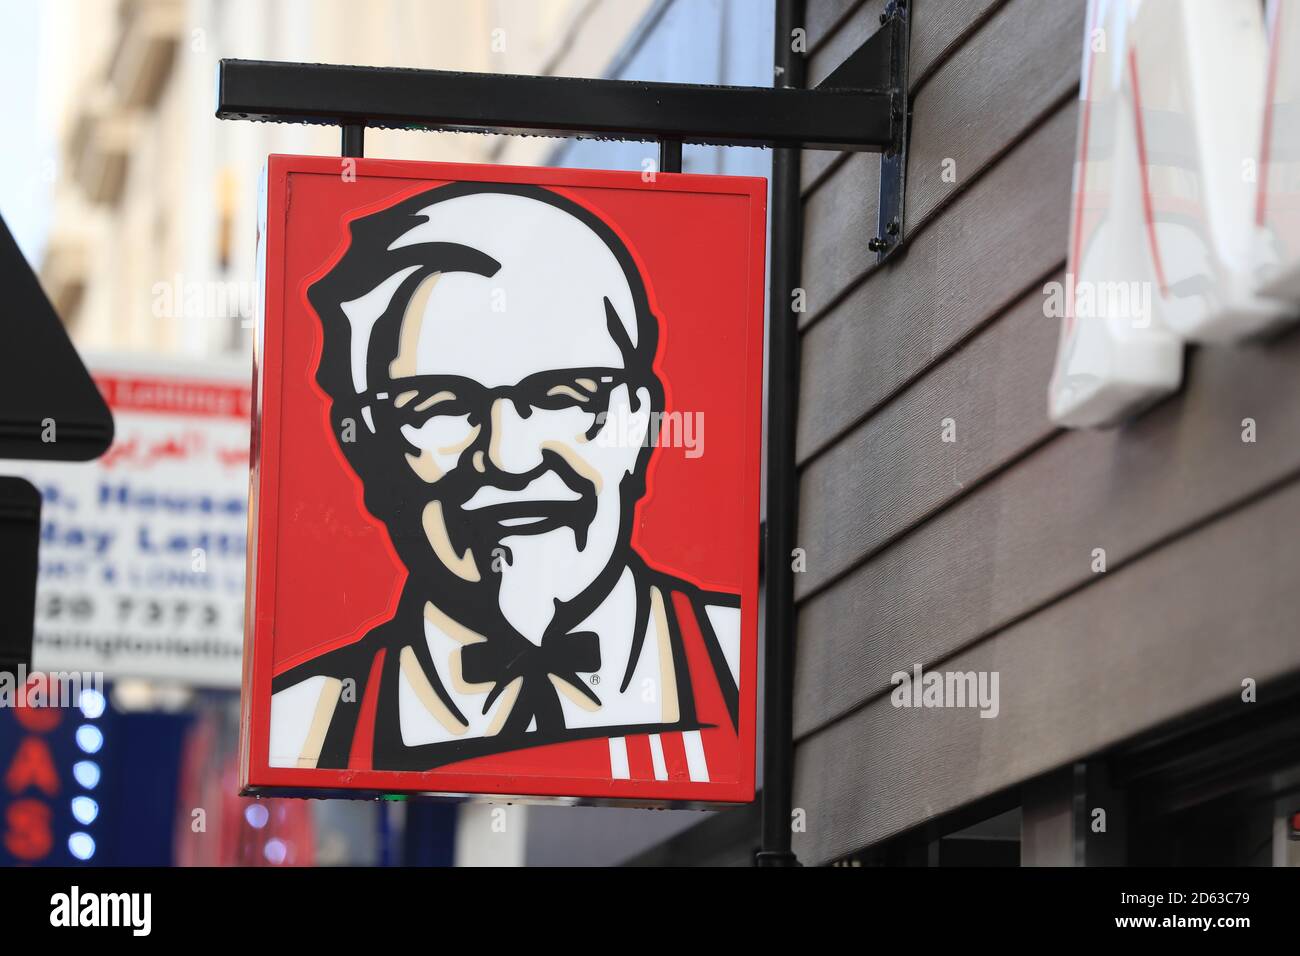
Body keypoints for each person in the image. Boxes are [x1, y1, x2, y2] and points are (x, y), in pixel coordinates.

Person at [267, 182, 741, 781]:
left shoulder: (749, 665)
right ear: (364, 443)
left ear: (640, 421)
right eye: (439, 404)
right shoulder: (303, 728)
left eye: (566, 395)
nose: (510, 457)